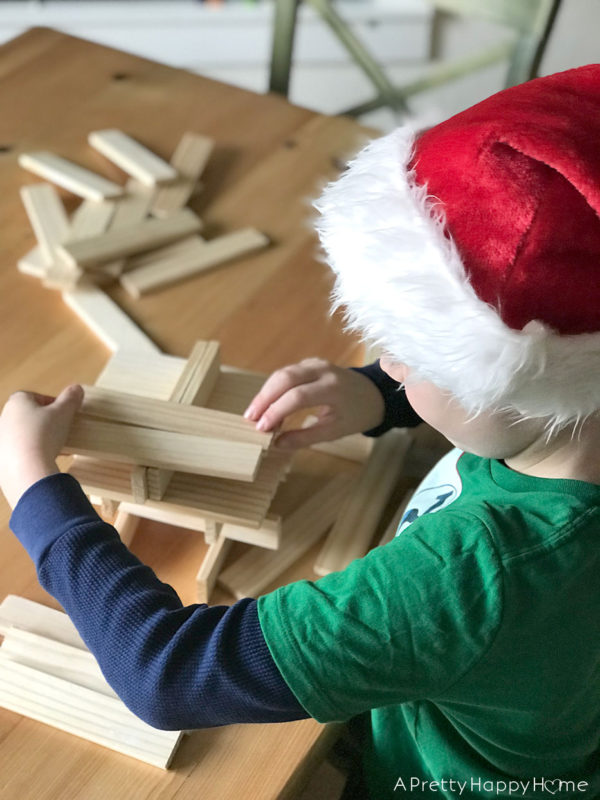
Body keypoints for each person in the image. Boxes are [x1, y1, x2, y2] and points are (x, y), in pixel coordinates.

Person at [1, 64, 599, 799]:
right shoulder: (564, 431)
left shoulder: (477, 575)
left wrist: (36, 489)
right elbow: (514, 403)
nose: (385, 357)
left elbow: (168, 674)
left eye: (416, 349)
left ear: (524, 377)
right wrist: (382, 397)